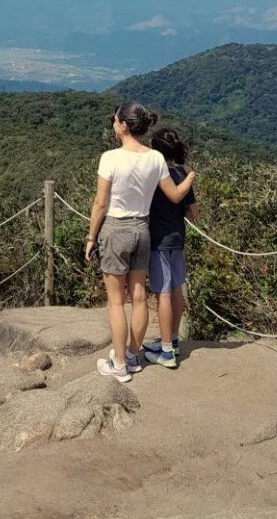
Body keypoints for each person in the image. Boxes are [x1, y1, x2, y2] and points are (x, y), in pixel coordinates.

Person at [83, 103, 196, 382]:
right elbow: (174, 194)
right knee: (139, 297)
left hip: (116, 229)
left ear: (123, 125)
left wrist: (90, 237)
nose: (113, 125)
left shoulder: (110, 157)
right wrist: (191, 176)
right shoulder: (155, 158)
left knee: (115, 302)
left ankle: (119, 363)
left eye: (115, 121)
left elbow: (100, 203)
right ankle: (133, 355)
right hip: (143, 231)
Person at [142, 128, 197, 369]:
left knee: (162, 293)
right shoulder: (182, 173)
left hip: (159, 241)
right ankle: (172, 341)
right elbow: (193, 213)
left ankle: (166, 351)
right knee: (176, 289)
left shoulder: (154, 173)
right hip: (178, 239)